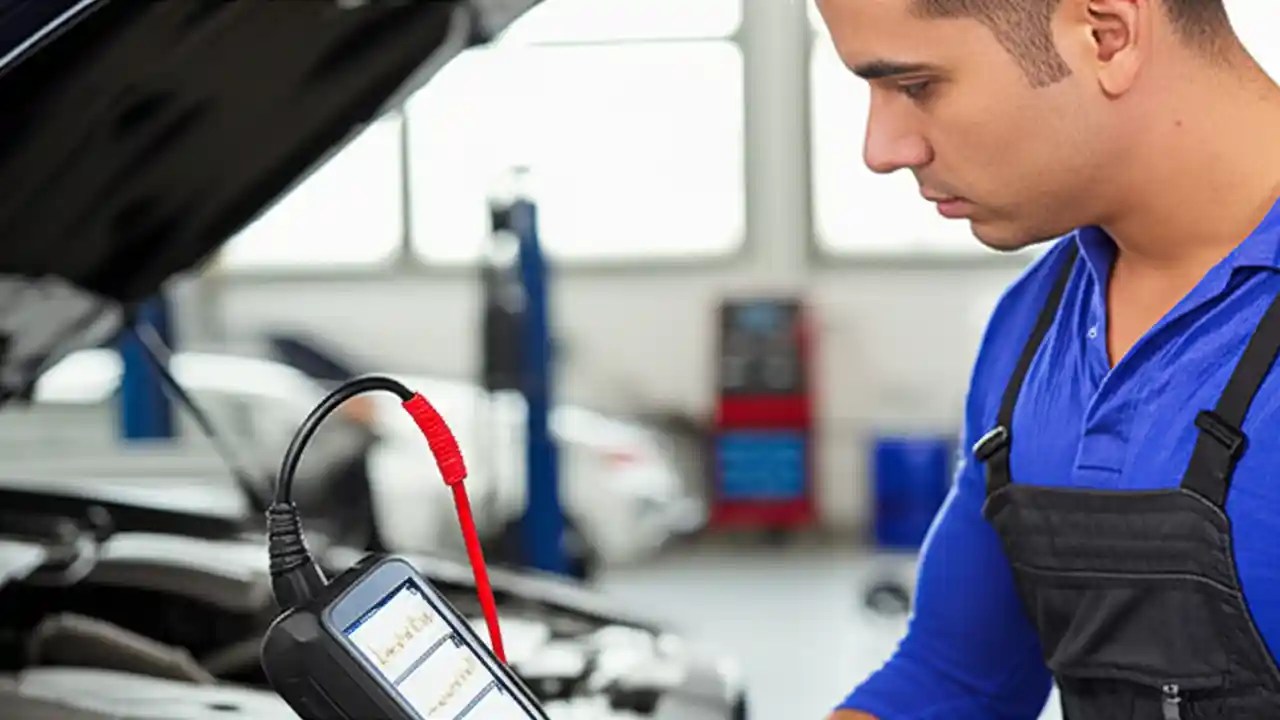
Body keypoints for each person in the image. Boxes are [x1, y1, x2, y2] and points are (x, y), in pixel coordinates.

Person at [816, 0, 1280, 718]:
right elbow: (956, 682)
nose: (882, 149)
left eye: (915, 86)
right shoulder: (1029, 329)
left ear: (1106, 34)